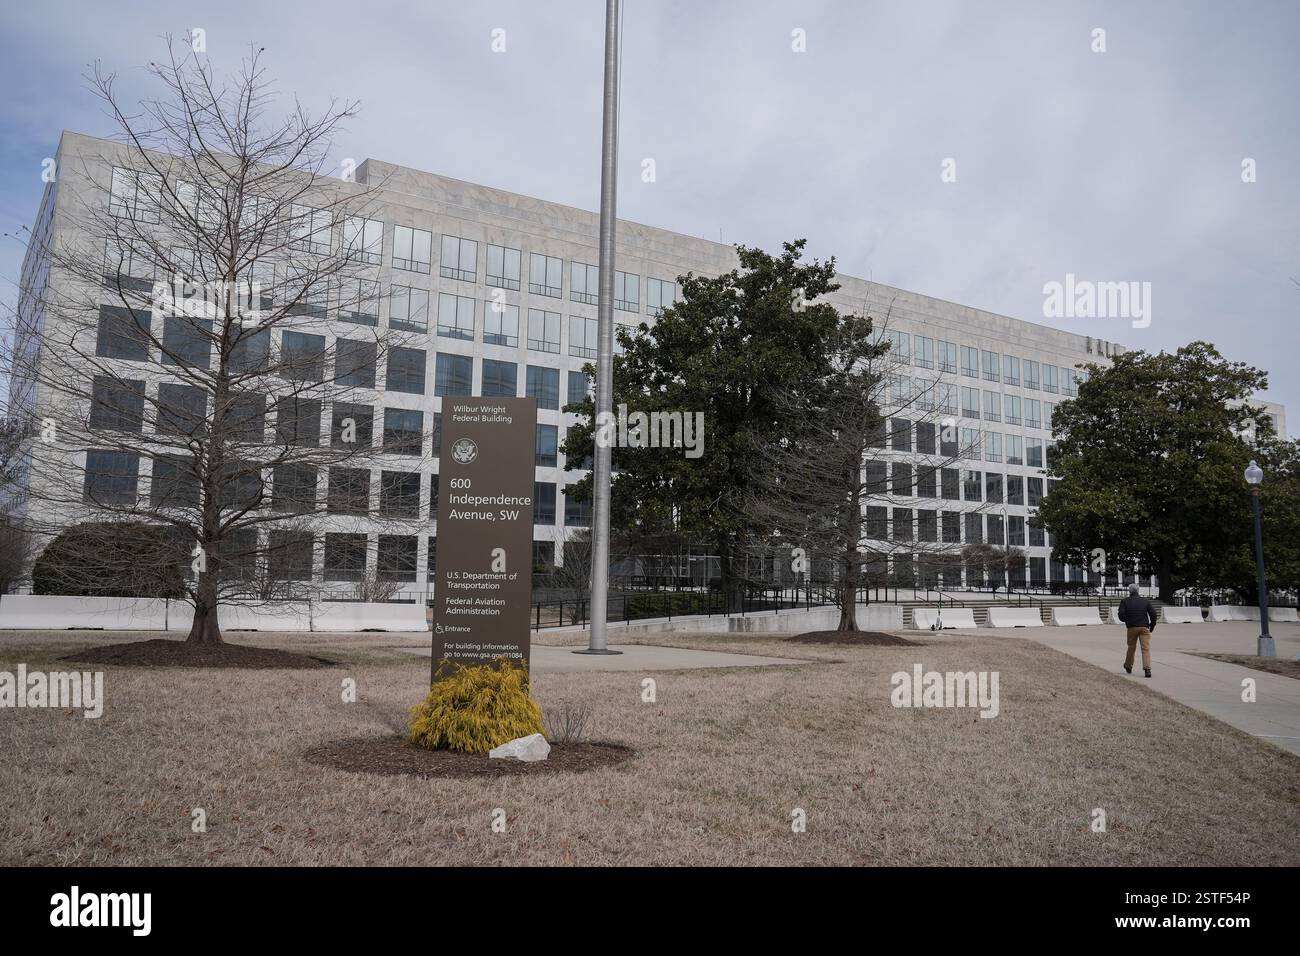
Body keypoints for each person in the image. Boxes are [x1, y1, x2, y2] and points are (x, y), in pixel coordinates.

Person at [1116, 583, 1157, 677]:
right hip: (1144, 627)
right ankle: (1147, 669)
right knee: (1145, 649)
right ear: (1138, 591)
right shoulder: (1145, 601)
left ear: (1129, 591)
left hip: (1132, 627)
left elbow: (1121, 613)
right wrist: (1152, 625)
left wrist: (1126, 620)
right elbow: (1153, 613)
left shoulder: (1125, 601)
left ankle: (1128, 666)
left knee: (1131, 648)